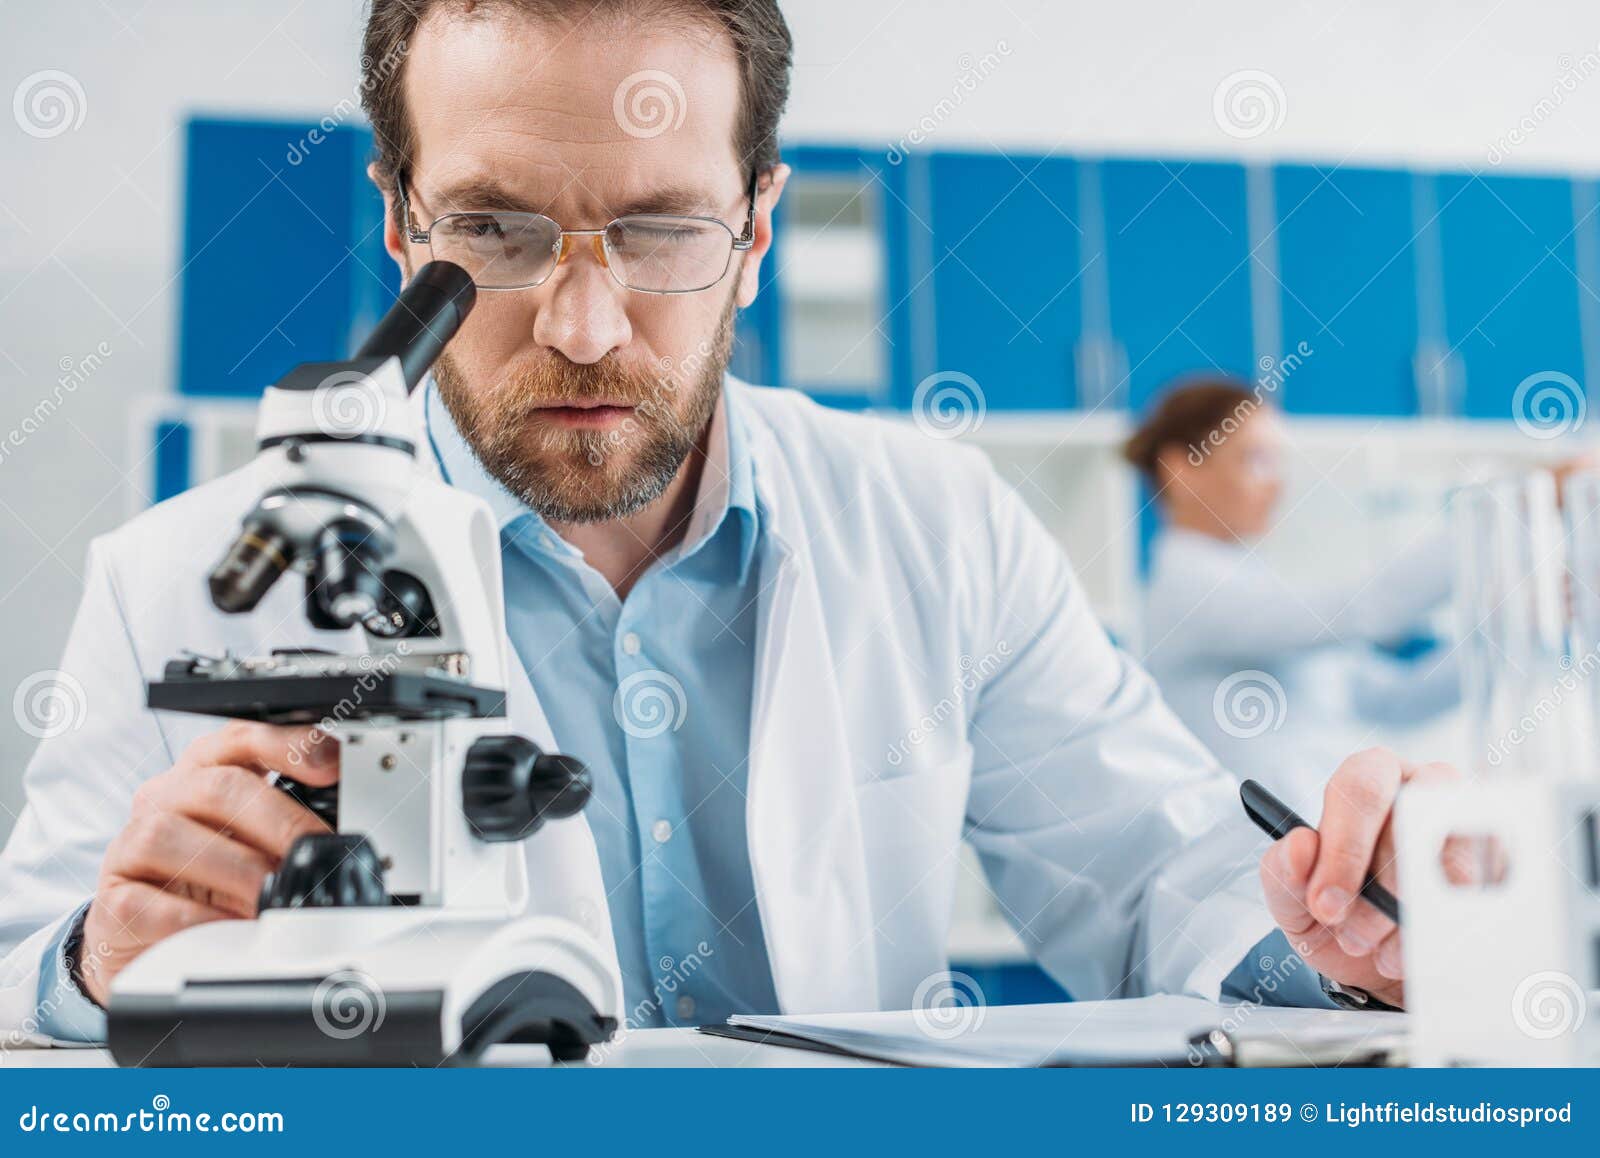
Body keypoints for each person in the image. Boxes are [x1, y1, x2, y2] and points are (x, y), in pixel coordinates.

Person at [0, 0, 1426, 1046]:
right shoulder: (174, 579)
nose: (581, 325)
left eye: (662, 229)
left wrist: (1342, 931)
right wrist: (98, 960)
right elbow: (28, 978)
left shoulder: (937, 524)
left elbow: (1159, 873)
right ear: (401, 224)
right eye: (492, 230)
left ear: (754, 229)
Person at [1124, 378, 1461, 817]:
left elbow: (1395, 698)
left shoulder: (1254, 581)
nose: (1277, 485)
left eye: (1276, 462)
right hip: (1257, 854)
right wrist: (1502, 519)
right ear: (1180, 469)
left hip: (1324, 840)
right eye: (1255, 460)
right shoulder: (1187, 591)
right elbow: (1370, 608)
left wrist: (1516, 630)